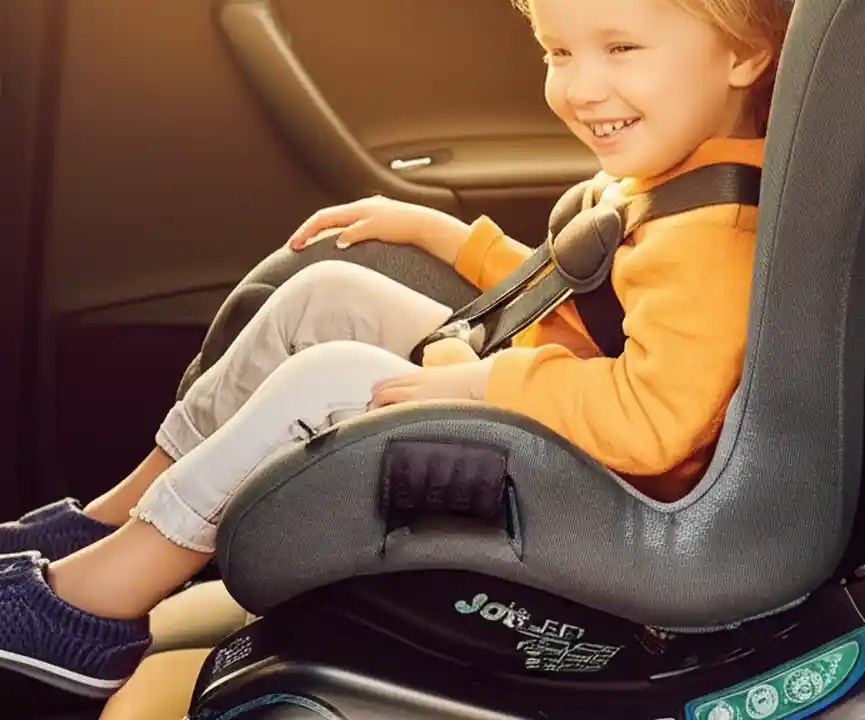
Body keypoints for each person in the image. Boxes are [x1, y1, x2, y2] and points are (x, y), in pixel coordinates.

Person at [0, 0, 791, 696]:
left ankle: (92, 610)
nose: (581, 87)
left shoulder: (713, 241)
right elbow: (582, 297)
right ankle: (112, 524)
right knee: (326, 296)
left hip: (597, 494)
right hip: (558, 408)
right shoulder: (681, 173)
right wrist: (442, 233)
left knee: (335, 376)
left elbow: (656, 425)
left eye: (621, 48)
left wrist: (485, 386)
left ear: (743, 55)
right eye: (559, 51)